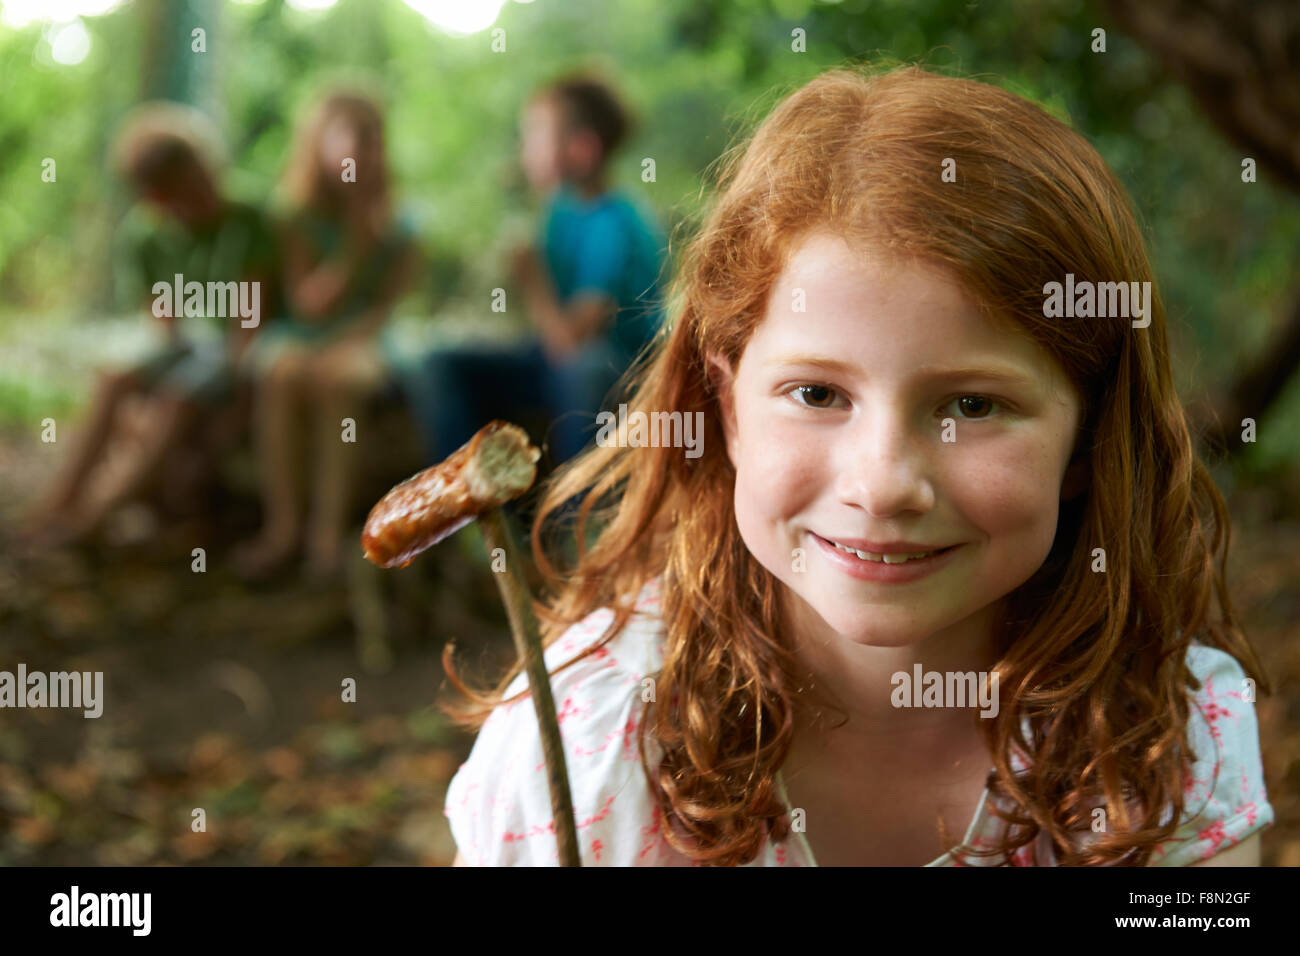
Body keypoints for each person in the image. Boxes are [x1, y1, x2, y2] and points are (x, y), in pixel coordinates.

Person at [439, 66, 1273, 866]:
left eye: (972, 406)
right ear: (727, 411)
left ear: (1089, 440)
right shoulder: (587, 747)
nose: (881, 485)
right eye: (816, 394)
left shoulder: (1164, 739)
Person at [20, 103, 276, 546]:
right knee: (115, 378)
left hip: (234, 348)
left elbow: (248, 323)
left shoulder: (247, 220)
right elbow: (163, 325)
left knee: (179, 398)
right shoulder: (145, 234)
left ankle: (97, 516)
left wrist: (230, 390)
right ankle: (56, 502)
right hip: (187, 345)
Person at [403, 72, 667, 467]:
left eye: (536, 137)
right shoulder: (559, 211)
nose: (525, 151)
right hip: (557, 368)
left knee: (584, 366)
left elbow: (567, 341)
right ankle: (470, 505)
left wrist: (532, 276)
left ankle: (578, 515)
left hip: (622, 375)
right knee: (440, 363)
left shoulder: (616, 222)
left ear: (582, 148)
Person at [232, 89, 417, 580]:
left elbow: (382, 310)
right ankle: (283, 529)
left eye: (370, 138)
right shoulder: (291, 216)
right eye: (346, 136)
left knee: (342, 381)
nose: (359, 150)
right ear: (316, 143)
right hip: (301, 333)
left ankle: (326, 537)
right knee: (281, 371)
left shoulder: (404, 226)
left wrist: (367, 228)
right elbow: (310, 304)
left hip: (364, 339)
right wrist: (355, 242)